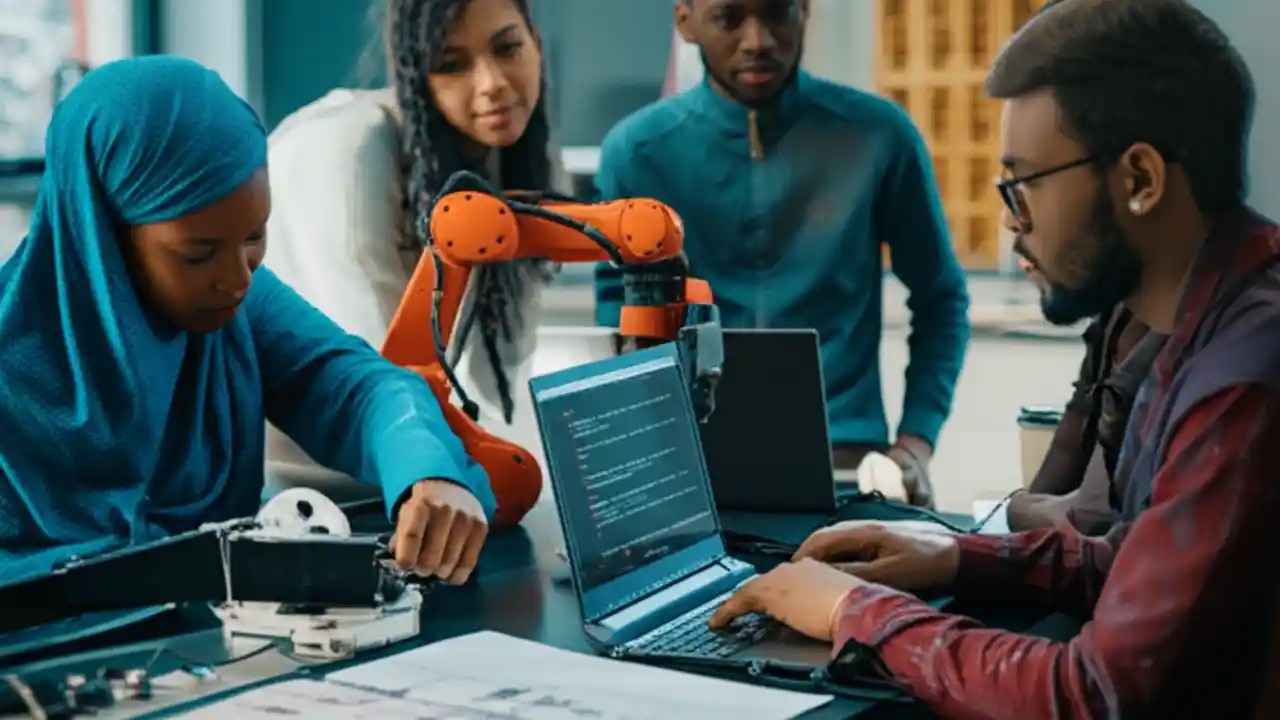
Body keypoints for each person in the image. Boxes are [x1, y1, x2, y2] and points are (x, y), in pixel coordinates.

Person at [709, 1, 1280, 716]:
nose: (1011, 218)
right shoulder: (1204, 320)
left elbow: (1090, 695)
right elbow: (1137, 561)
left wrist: (858, 611)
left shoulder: (1245, 371)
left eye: (1024, 182)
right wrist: (950, 557)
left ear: (1140, 179)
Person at [0, 55, 494, 587]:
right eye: (198, 254)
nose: (237, 277)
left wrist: (425, 472)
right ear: (102, 241)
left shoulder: (241, 306)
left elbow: (358, 387)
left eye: (255, 237)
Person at [592, 0, 971, 508]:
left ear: (806, 10)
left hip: (846, 460)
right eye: (729, 18)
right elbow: (615, 323)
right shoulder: (636, 152)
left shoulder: (877, 136)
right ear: (686, 21)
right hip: (686, 461)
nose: (758, 40)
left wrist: (916, 442)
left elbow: (941, 298)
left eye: (778, 13)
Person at [264, 0, 563, 474]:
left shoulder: (521, 165)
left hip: (415, 459)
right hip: (307, 475)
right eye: (451, 65)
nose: (493, 84)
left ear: (536, 44)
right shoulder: (348, 145)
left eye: (507, 48)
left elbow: (502, 376)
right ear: (415, 75)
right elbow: (377, 363)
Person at [1003, 296, 1164, 534]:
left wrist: (1016, 508)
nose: (1026, 265)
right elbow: (1067, 449)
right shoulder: (1116, 315)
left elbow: (1091, 515)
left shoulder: (1169, 335)